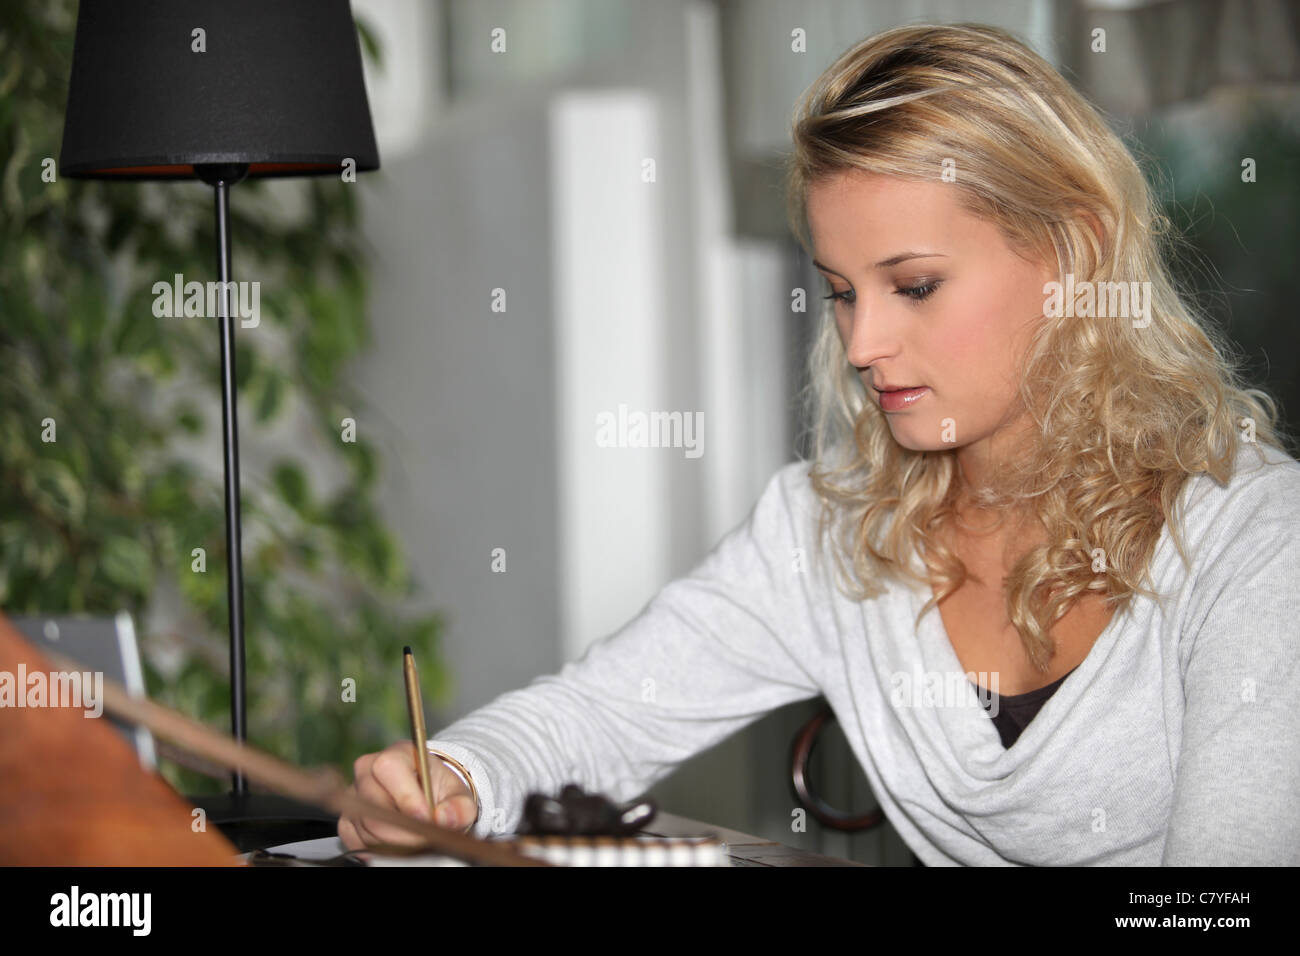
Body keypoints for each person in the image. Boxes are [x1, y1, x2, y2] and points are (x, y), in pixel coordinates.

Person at [339, 22, 1300, 865]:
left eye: (914, 284)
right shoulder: (831, 530)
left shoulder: (1253, 542)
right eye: (841, 291)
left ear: (1076, 254)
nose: (862, 344)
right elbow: (606, 710)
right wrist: (458, 773)